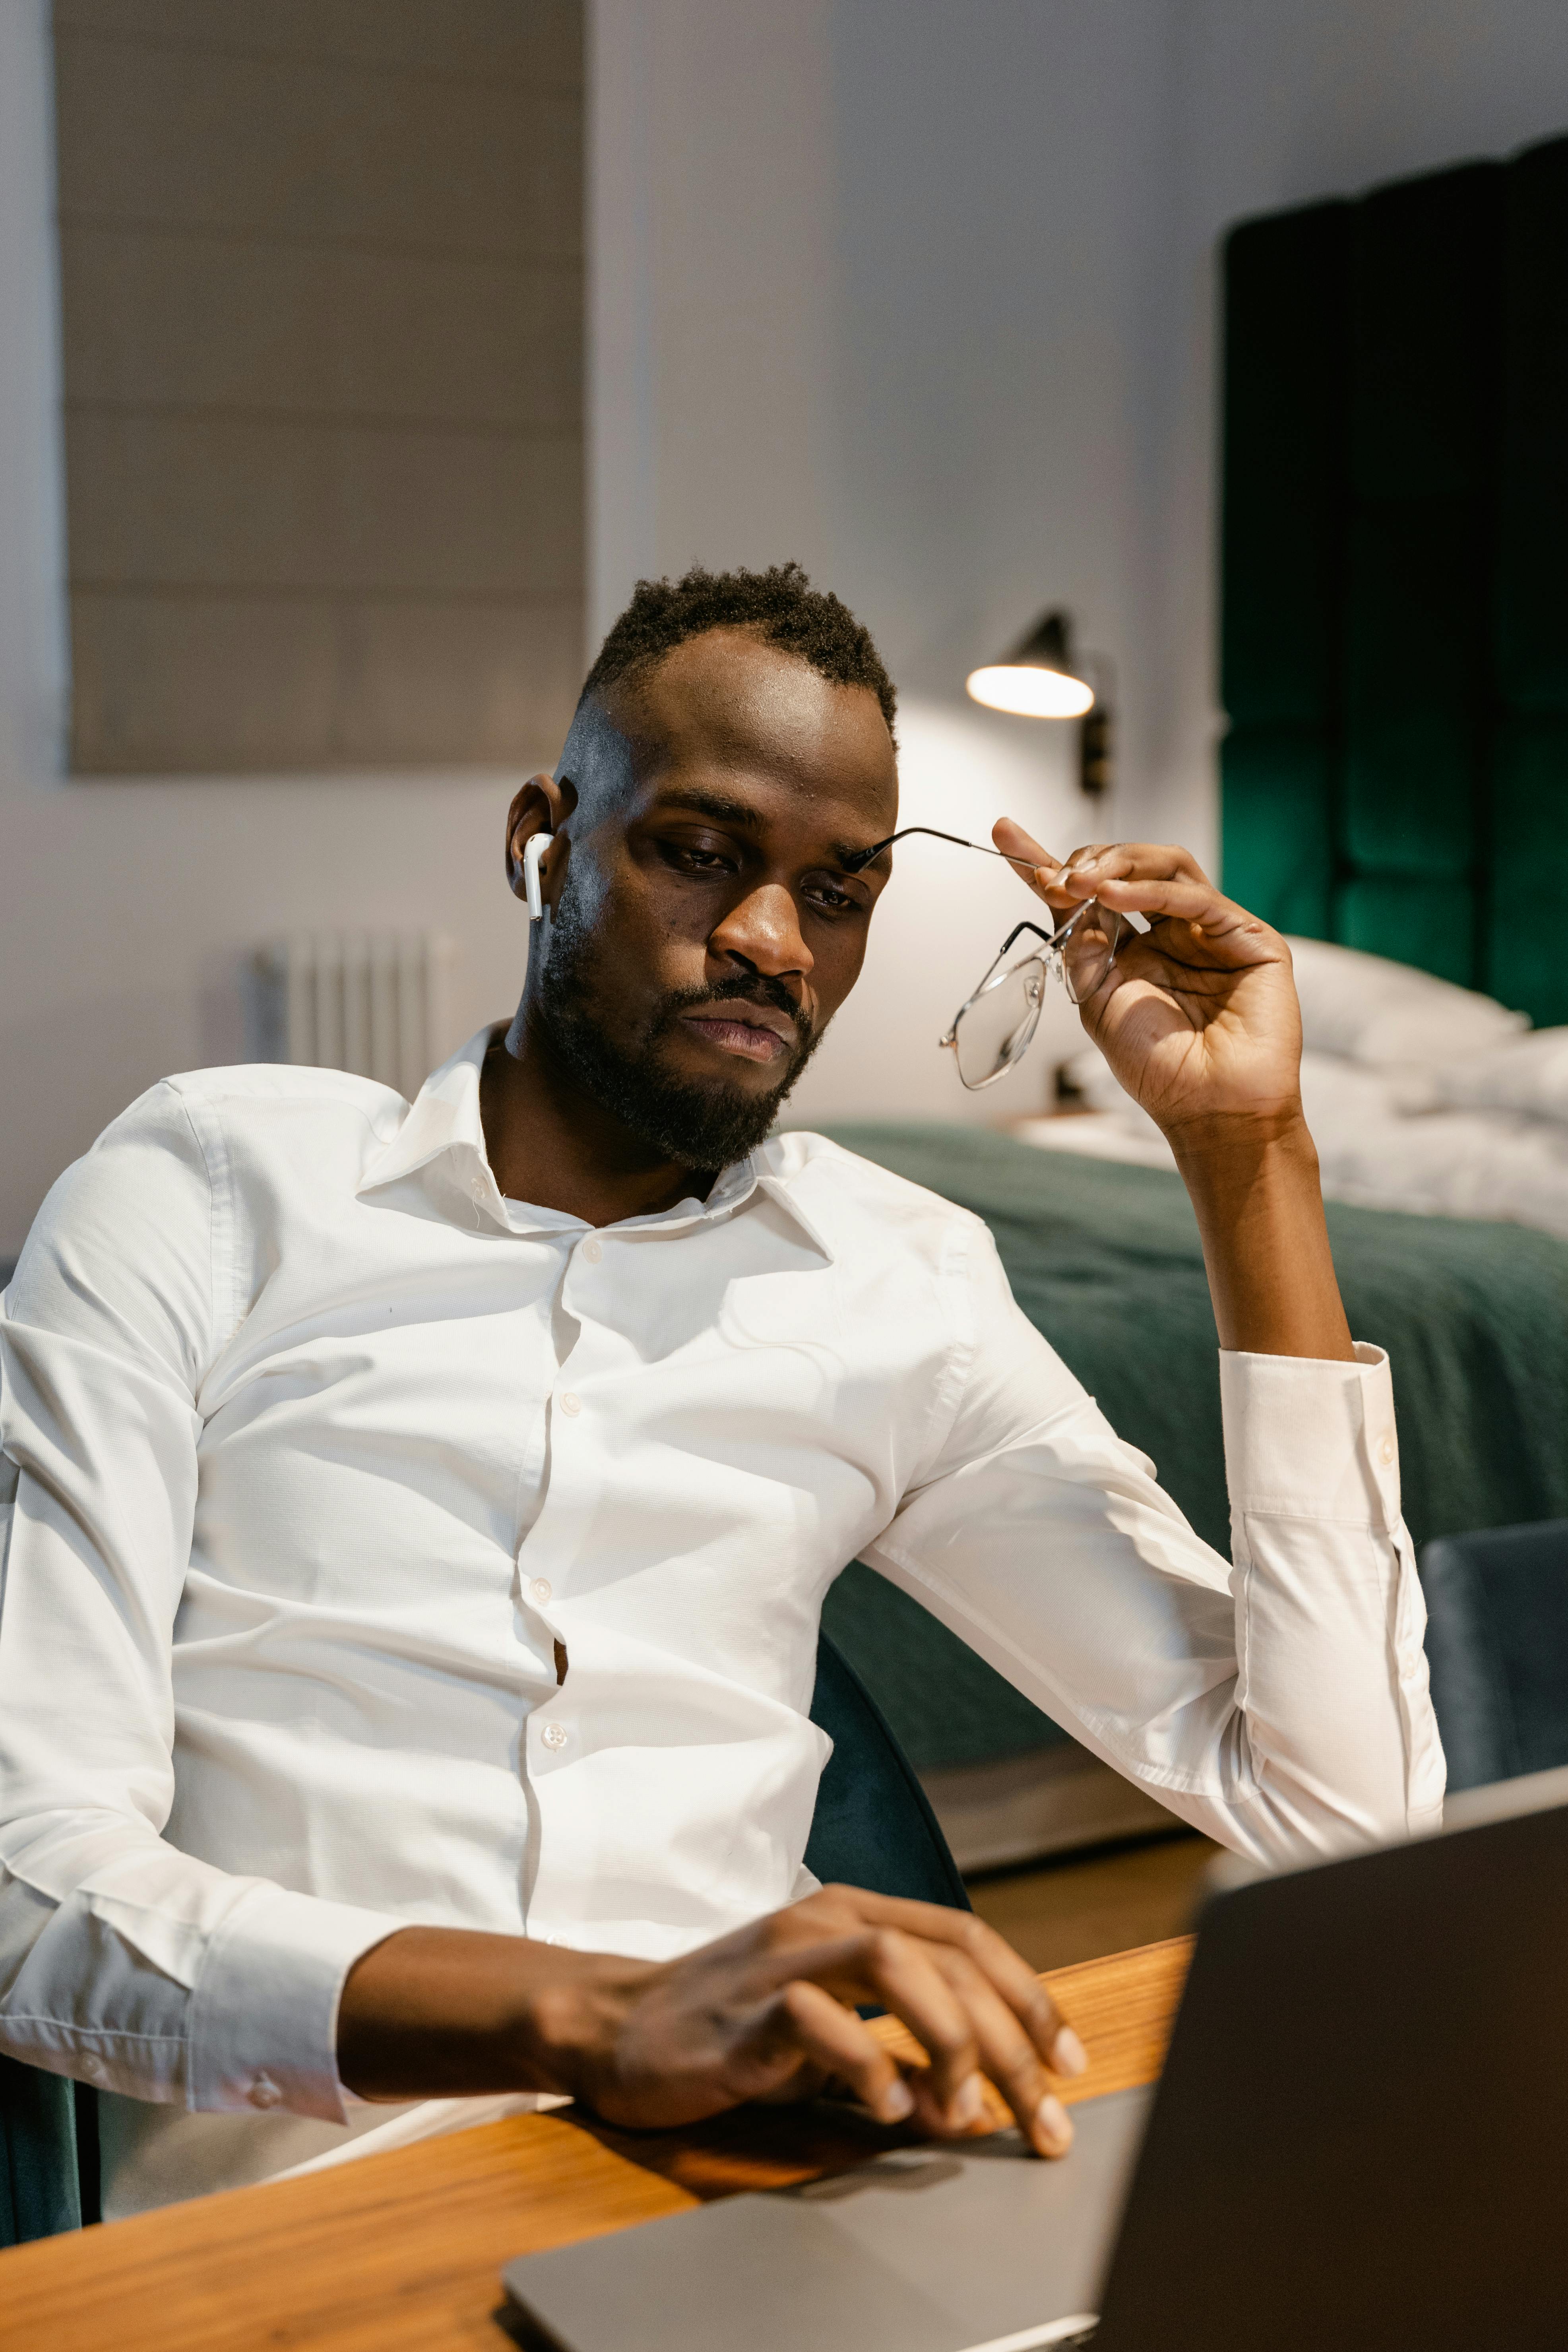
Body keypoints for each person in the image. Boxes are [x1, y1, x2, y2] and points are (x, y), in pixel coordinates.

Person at [0, 564, 1442, 2220]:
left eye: (839, 890)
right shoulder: (211, 1187)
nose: (772, 941)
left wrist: (1248, 1151)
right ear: (547, 840)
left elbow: (1343, 1816)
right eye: (699, 854)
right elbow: (29, 1888)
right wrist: (603, 2016)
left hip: (755, 2209)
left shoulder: (897, 1282)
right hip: (301, 2222)